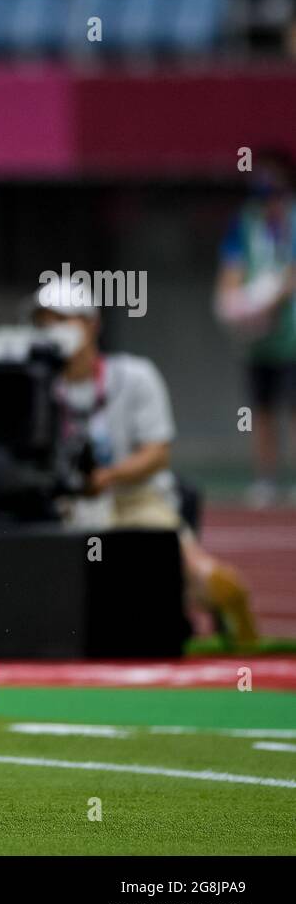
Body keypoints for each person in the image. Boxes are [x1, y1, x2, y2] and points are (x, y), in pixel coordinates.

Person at [34, 287, 258, 646]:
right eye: (43, 322)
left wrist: (108, 477)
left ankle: (236, 624)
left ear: (92, 324)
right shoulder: (35, 384)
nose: (51, 330)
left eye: (61, 319)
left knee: (205, 580)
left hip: (136, 501)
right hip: (65, 508)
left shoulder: (134, 376)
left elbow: (157, 453)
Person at [215, 148, 296, 507]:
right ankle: (265, 479)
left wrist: (272, 296)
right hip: (258, 339)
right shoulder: (245, 221)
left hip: (292, 335)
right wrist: (234, 303)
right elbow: (231, 269)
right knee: (260, 410)